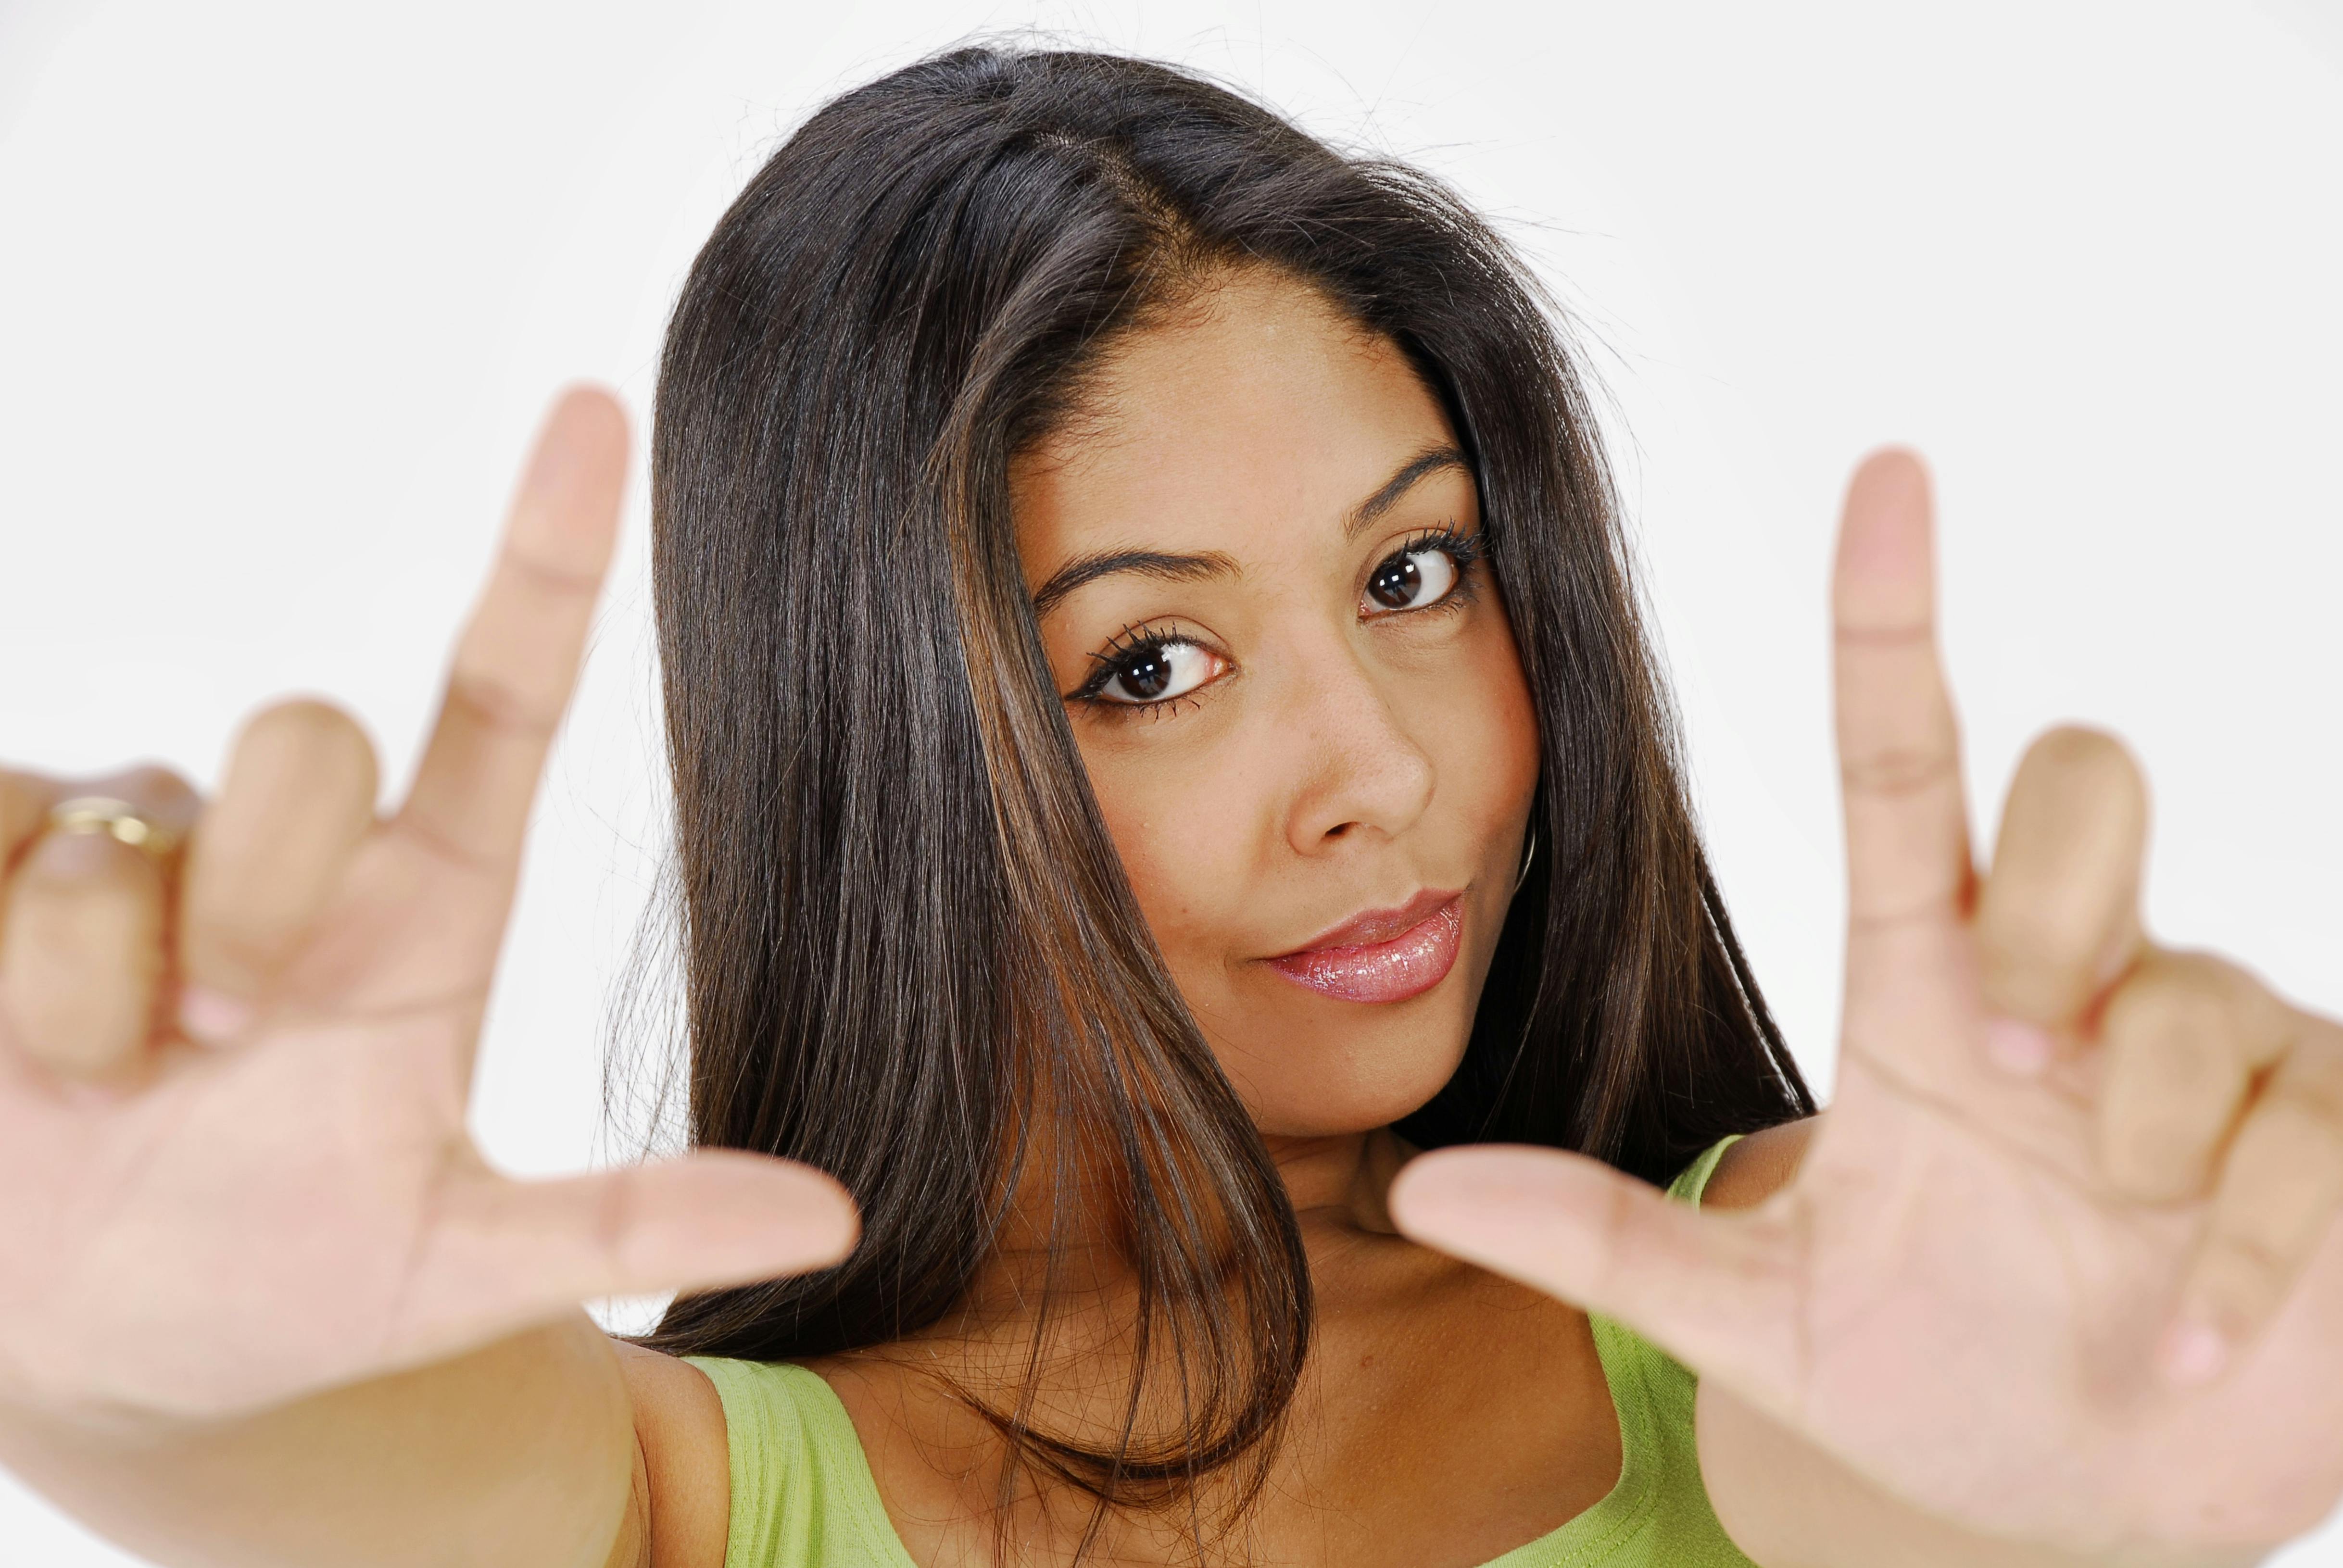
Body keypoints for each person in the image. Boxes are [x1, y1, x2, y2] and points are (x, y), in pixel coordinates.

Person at [1, 43, 2339, 1568]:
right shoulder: (689, 1504)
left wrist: (2119, 1436)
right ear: (883, 769)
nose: (1384, 773)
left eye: (1414, 575)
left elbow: (1949, 1431)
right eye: (1149, 666)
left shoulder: (1803, 1326)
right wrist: (116, 1359)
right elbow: (320, 1447)